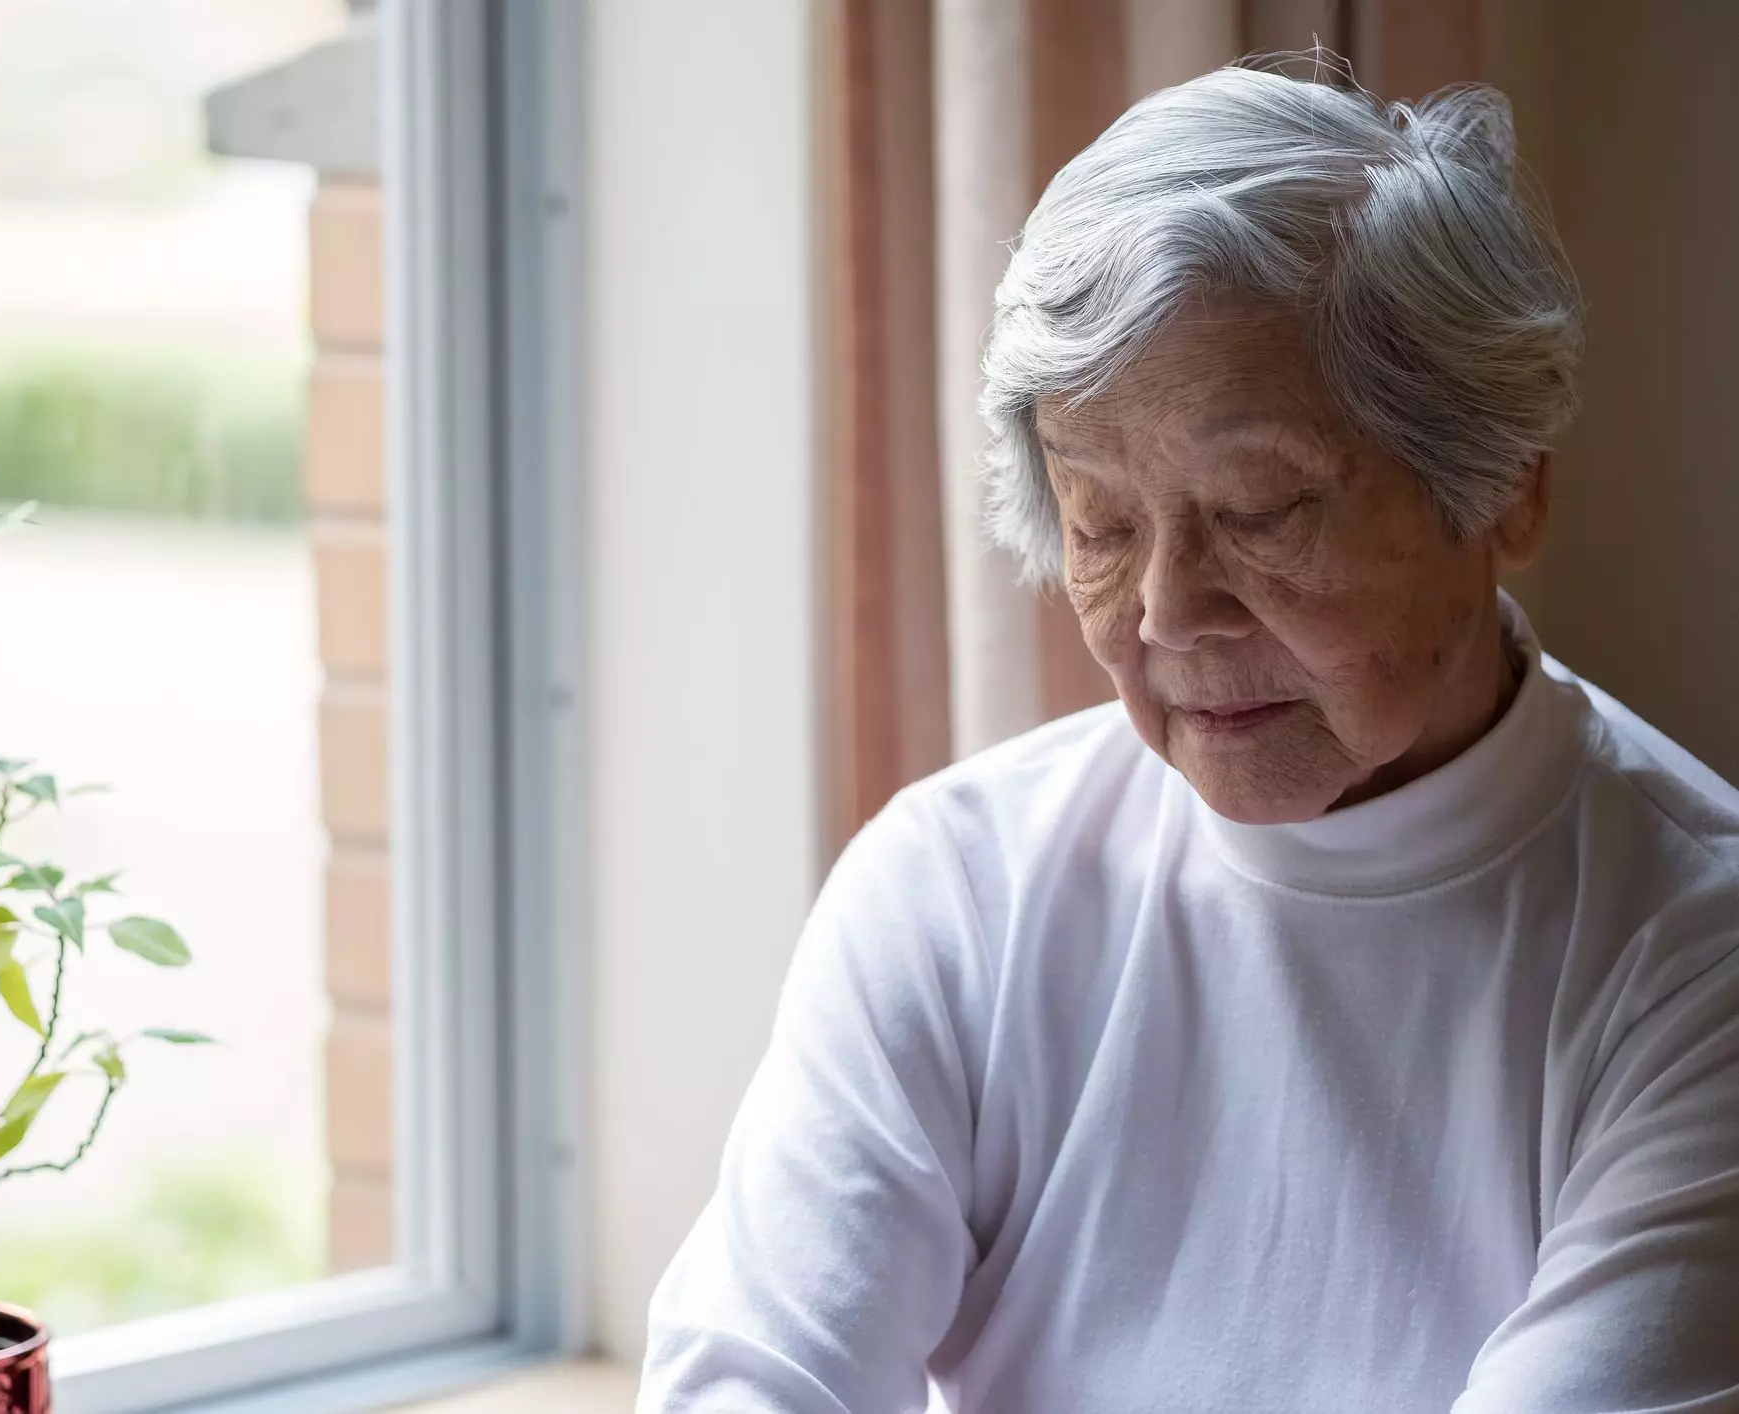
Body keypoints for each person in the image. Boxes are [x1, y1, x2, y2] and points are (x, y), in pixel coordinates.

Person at [638, 62, 1739, 1413]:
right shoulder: (957, 888)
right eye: (1102, 525)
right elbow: (753, 1376)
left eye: (1263, 508)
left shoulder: (1696, 952)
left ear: (1505, 488)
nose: (1169, 609)